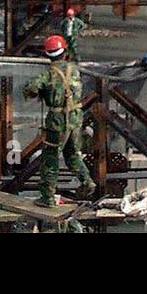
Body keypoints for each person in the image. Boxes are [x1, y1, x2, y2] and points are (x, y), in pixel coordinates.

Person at [23, 35, 96, 207]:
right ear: (65, 52)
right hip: (76, 118)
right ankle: (86, 181)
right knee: (72, 153)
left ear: (48, 54)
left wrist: (40, 93)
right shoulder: (74, 70)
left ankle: (47, 197)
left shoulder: (48, 74)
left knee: (51, 158)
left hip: (58, 121)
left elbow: (30, 88)